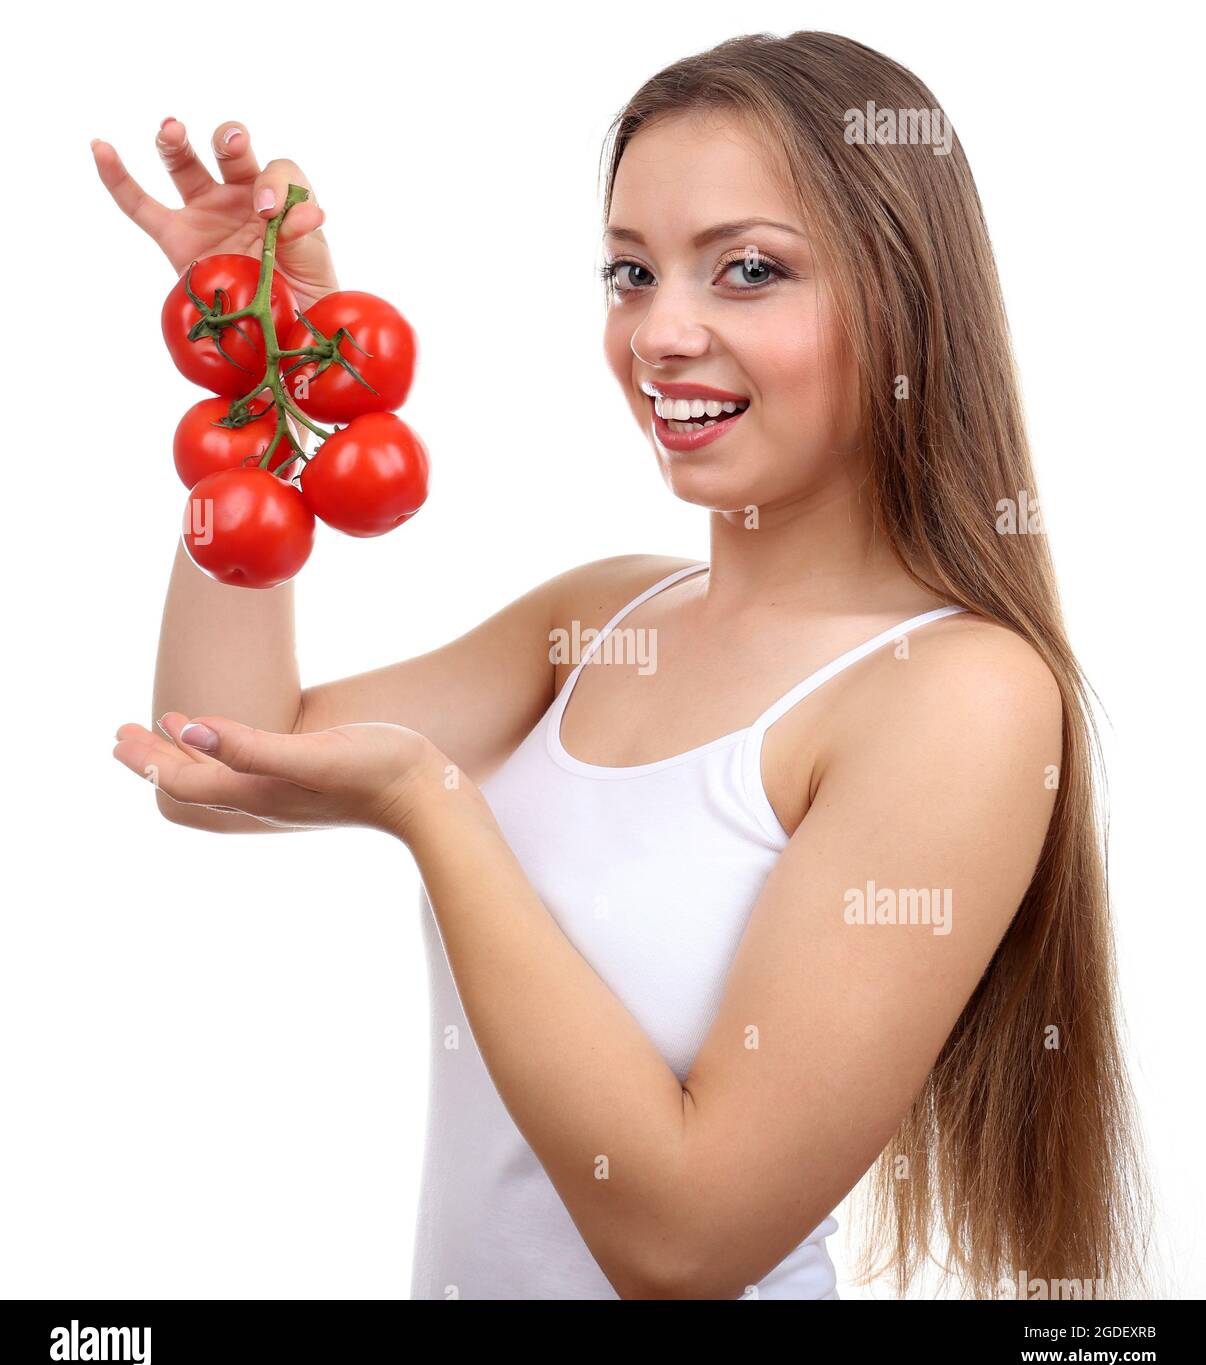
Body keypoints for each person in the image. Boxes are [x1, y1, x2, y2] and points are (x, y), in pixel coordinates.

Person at [100, 30, 1150, 1300]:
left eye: (748, 269)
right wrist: (265, 372)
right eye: (630, 272)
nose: (661, 332)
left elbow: (686, 1246)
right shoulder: (608, 616)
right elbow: (209, 755)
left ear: (905, 296)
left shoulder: (959, 695)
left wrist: (433, 809)